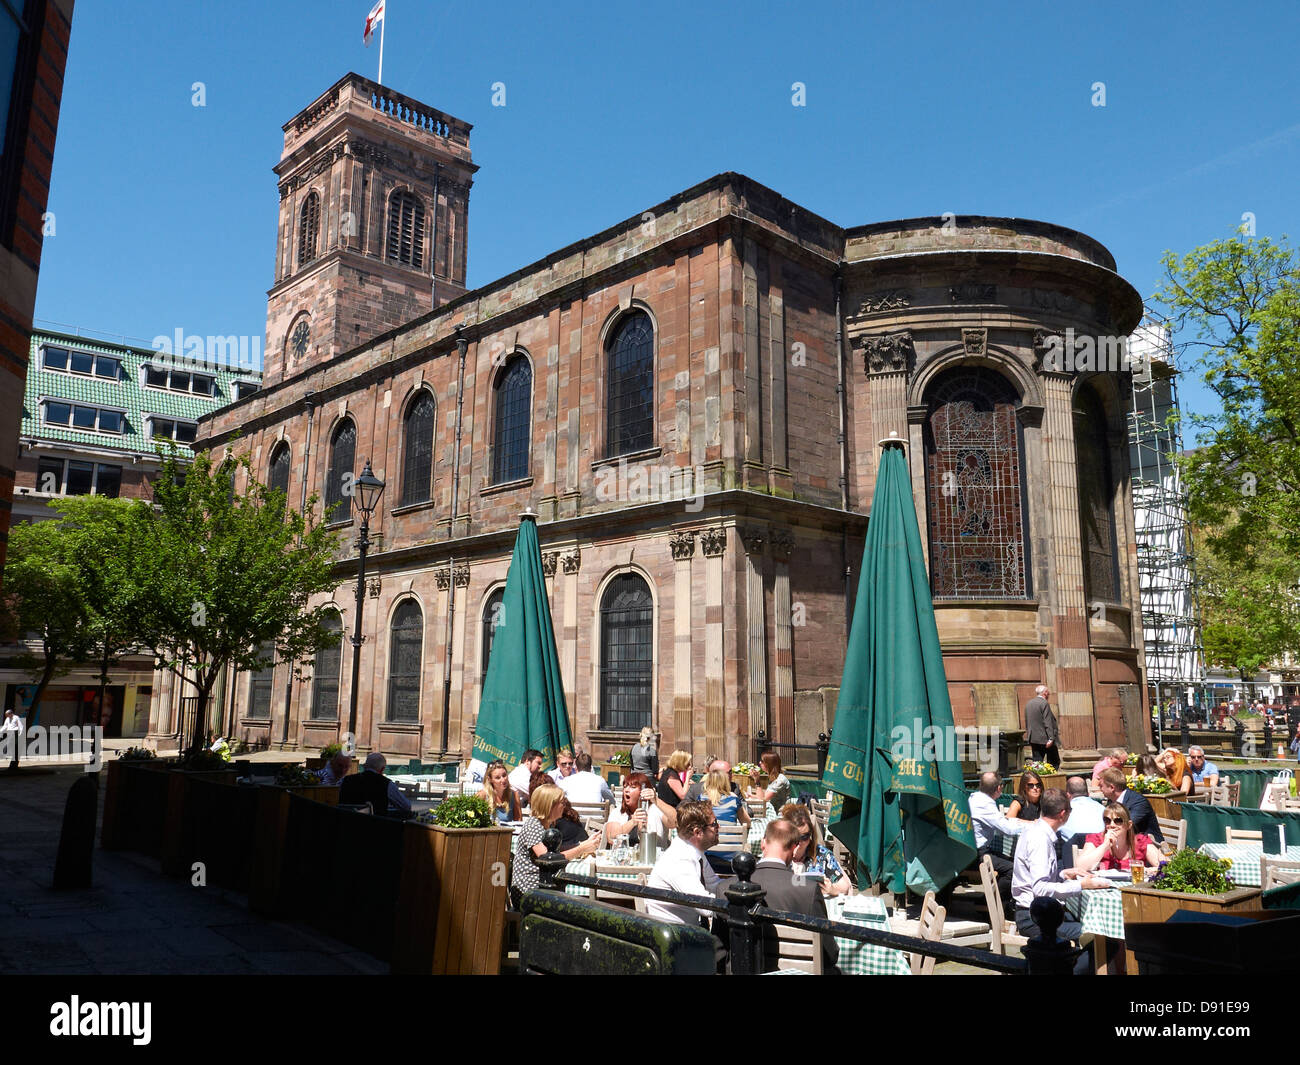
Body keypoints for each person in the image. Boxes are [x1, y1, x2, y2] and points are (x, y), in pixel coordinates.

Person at [1010, 787, 1115, 975]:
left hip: (1037, 913)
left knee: (1095, 930)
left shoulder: (1037, 831)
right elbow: (1040, 888)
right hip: (1035, 918)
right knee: (1104, 939)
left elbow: (1037, 875)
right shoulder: (1040, 839)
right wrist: (1082, 885)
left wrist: (1064, 873)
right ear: (1063, 814)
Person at [750, 819, 840, 974]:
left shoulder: (725, 887)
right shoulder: (808, 889)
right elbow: (830, 954)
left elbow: (719, 952)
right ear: (794, 848)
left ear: (763, 843)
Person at [511, 783, 602, 904]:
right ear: (550, 805)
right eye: (562, 802)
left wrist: (583, 844)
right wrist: (582, 849)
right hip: (529, 893)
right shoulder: (533, 825)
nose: (565, 806)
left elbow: (554, 852)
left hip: (543, 889)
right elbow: (548, 860)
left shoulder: (546, 824)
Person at [645, 800, 726, 926]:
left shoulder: (695, 853)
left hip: (683, 931)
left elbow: (716, 886)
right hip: (671, 936)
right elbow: (704, 906)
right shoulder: (679, 859)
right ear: (697, 832)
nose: (718, 827)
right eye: (714, 824)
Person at [968, 771, 1025, 907]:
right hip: (976, 854)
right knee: (1013, 869)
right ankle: (992, 905)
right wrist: (1029, 826)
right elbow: (1008, 830)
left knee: (1011, 861)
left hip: (970, 851)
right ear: (999, 788)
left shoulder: (974, 798)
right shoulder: (985, 804)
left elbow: (1001, 826)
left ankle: (991, 900)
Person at [782, 802, 851, 897]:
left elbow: (844, 887)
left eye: (805, 837)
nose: (800, 843)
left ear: (811, 834)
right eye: (795, 838)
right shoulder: (779, 853)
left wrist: (832, 889)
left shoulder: (821, 854)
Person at [1075, 802, 1162, 873]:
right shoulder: (1096, 839)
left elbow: (1164, 866)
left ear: (1129, 825)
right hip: (1104, 888)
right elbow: (1081, 867)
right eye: (1107, 820)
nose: (1112, 825)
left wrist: (1151, 870)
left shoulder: (1140, 841)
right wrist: (1105, 846)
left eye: (1118, 821)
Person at [1098, 766, 1163, 844]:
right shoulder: (1111, 801)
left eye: (1101, 786)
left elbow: (1124, 826)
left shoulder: (1138, 802)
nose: (1099, 789)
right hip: (1124, 843)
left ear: (1112, 787)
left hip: (1150, 845)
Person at [604, 772, 668, 850]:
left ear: (643, 791)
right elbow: (611, 838)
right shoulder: (618, 812)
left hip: (650, 857)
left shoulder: (655, 810)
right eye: (625, 787)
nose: (626, 790)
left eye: (632, 787)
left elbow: (674, 822)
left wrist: (657, 801)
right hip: (624, 858)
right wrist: (633, 822)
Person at [703, 770, 750, 872]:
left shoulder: (701, 800)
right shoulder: (733, 800)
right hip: (732, 856)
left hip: (707, 854)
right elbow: (747, 823)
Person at [1058, 775, 1105, 848]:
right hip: (1100, 852)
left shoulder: (1062, 812)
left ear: (1067, 795)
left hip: (1072, 855)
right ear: (1088, 793)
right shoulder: (1102, 809)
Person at [1024, 685, 1060, 764]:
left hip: (1033, 738)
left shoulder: (1029, 703)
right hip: (1045, 739)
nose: (1049, 694)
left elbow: (1027, 721)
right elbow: (1047, 721)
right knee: (1054, 762)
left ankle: (1037, 776)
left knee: (1037, 762)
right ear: (1045, 693)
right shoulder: (1044, 703)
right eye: (1048, 692)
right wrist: (1051, 738)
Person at [479, 760, 522, 824]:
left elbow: (518, 822)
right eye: (497, 778)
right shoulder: (483, 795)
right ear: (490, 780)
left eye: (504, 775)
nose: (503, 779)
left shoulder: (514, 795)